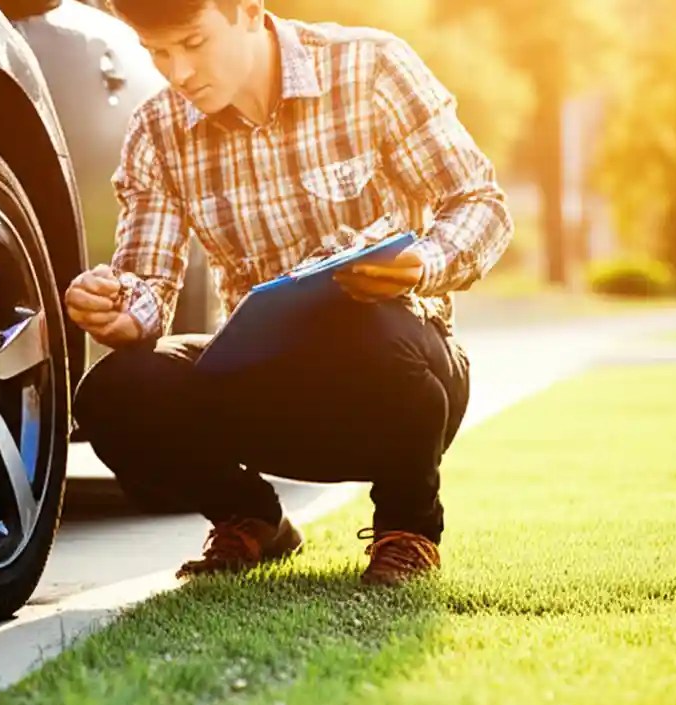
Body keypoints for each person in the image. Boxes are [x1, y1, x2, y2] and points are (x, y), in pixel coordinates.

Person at [65, 0, 513, 585]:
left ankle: (408, 529)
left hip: (399, 380)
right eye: (157, 53)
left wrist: (423, 261)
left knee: (369, 325)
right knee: (112, 392)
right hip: (266, 387)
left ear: (248, 11)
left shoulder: (370, 67)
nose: (177, 73)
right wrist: (123, 311)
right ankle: (250, 518)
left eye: (194, 44)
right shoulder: (158, 130)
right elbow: (148, 281)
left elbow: (481, 203)